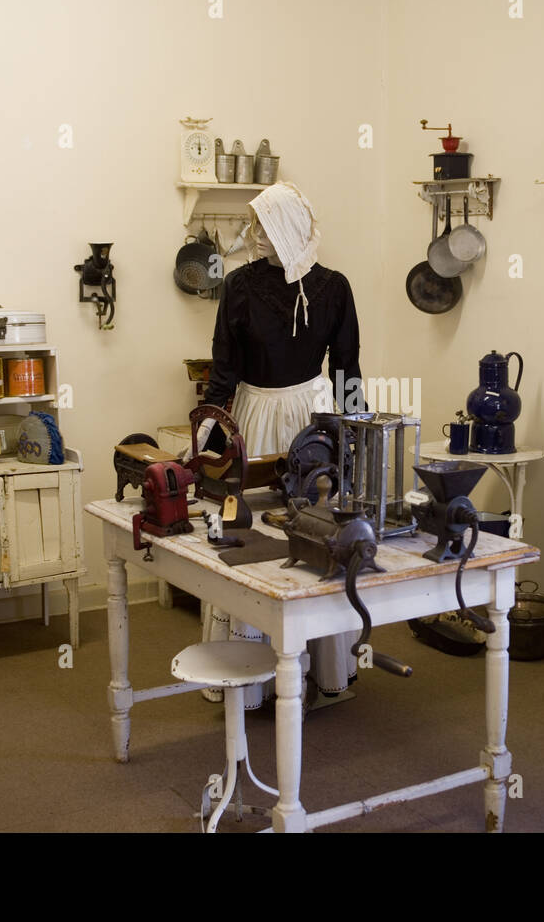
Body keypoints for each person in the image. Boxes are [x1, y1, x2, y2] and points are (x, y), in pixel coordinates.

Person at [196, 182, 363, 709]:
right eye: (256, 225)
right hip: (260, 414)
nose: (256, 234)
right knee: (254, 539)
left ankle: (312, 673)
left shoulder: (332, 288)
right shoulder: (242, 286)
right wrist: (209, 434)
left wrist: (351, 433)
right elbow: (223, 368)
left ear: (287, 228)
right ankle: (252, 677)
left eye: (266, 225)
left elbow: (346, 369)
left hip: (307, 419)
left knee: (312, 536)